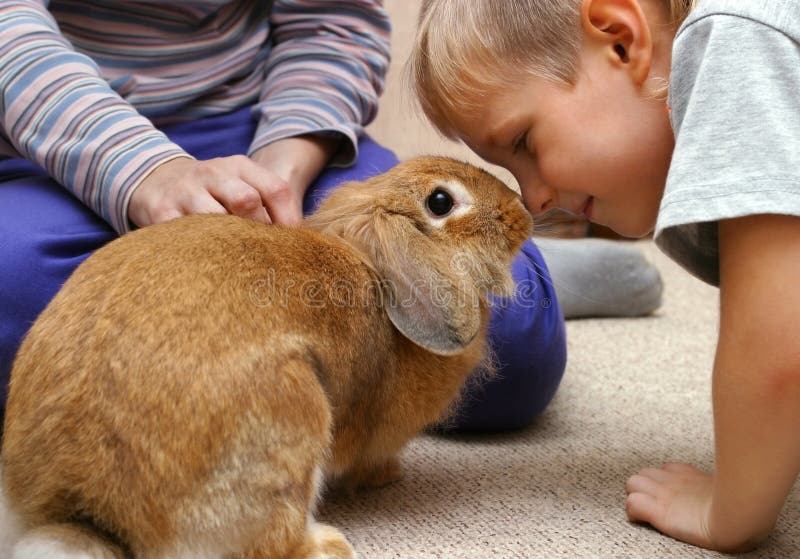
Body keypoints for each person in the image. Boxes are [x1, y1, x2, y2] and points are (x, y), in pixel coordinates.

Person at [0, 0, 576, 435]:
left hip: (258, 120)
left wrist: (284, 162)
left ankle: (524, 270)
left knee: (514, 345)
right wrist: (141, 169)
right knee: (20, 298)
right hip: (49, 136)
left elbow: (332, 17)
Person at [409, 0, 800, 552]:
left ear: (621, 40)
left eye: (525, 143)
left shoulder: (736, 42)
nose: (535, 199)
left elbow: (780, 349)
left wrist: (732, 510)